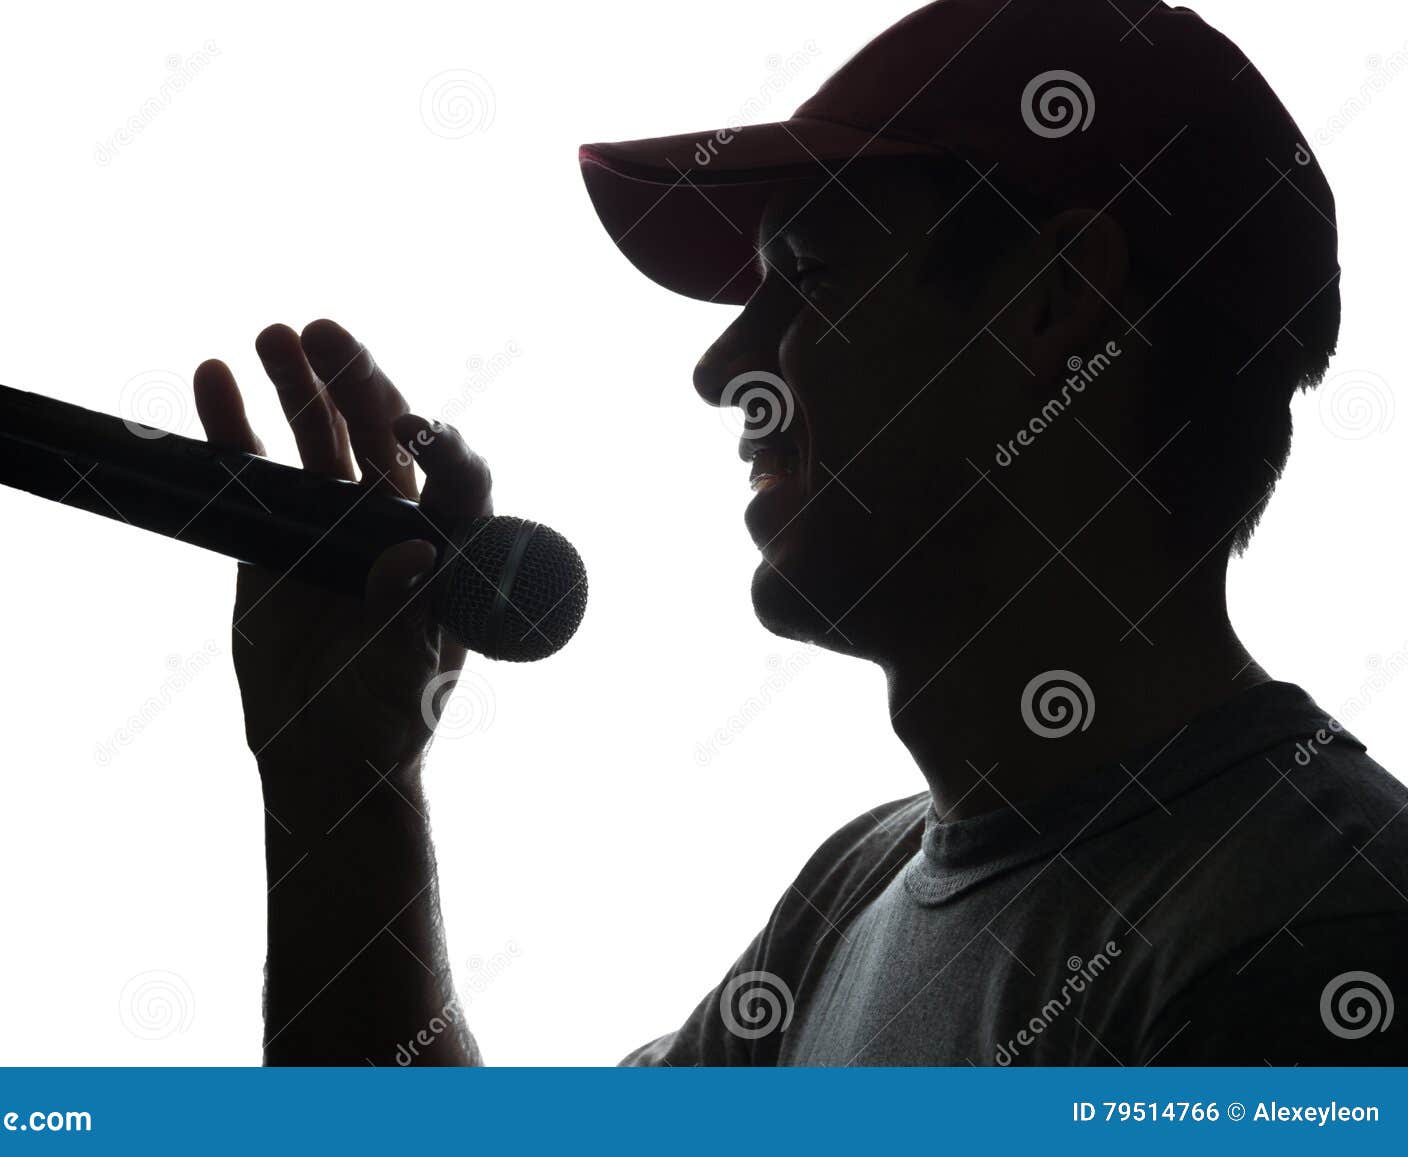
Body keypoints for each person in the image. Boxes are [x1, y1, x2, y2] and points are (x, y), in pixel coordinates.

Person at [192, 0, 1408, 1065]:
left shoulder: (1314, 938)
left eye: (811, 277)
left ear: (1055, 302)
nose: (722, 366)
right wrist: (343, 781)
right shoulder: (851, 901)